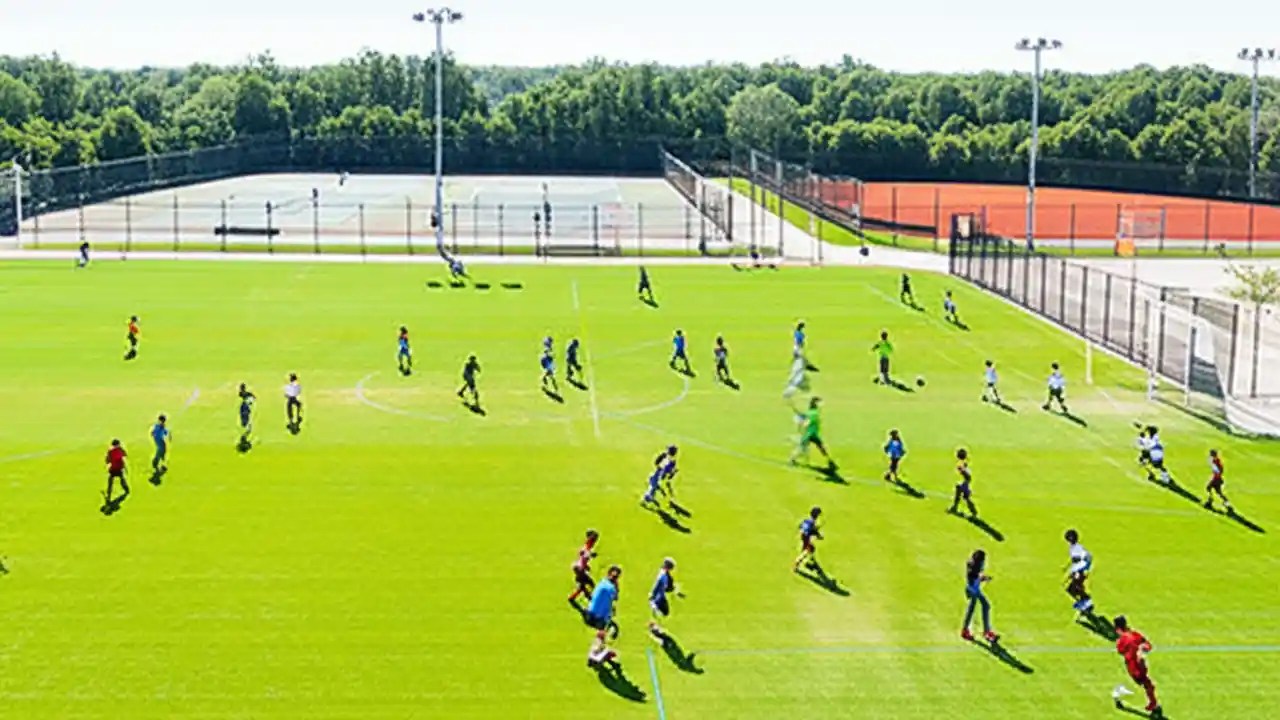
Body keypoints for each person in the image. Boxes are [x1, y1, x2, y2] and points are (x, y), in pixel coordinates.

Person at [1113, 615, 1161, 714]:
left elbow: (1120, 651)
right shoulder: (1134, 634)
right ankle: (1153, 705)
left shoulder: (1122, 639)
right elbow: (1148, 645)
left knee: (1147, 685)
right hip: (1136, 667)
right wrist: (1142, 649)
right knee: (1147, 685)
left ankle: (1153, 704)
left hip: (1134, 666)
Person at [960, 549, 1000, 643]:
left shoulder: (973, 567)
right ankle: (986, 632)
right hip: (974, 591)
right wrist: (982, 579)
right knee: (984, 606)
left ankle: (967, 630)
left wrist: (984, 578)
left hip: (973, 590)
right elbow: (974, 581)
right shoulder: (974, 570)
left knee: (975, 608)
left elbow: (976, 578)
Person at [790, 397, 835, 470]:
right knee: (802, 447)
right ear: (816, 403)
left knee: (821, 447)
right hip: (809, 433)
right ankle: (792, 459)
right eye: (820, 402)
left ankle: (830, 461)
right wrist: (805, 424)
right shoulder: (814, 413)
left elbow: (806, 419)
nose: (822, 404)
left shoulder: (813, 411)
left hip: (814, 433)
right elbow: (808, 421)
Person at [585, 565, 621, 640]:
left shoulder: (601, 583)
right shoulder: (611, 589)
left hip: (588, 614)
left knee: (609, 608)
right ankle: (601, 640)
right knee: (610, 613)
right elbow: (616, 598)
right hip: (598, 619)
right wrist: (616, 586)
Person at [648, 557, 680, 640]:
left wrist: (675, 590)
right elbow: (658, 586)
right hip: (657, 597)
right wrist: (652, 596)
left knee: (664, 612)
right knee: (658, 612)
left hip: (660, 596)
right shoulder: (663, 575)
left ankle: (654, 626)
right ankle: (655, 628)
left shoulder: (665, 574)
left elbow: (667, 586)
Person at [1064, 529, 1095, 614]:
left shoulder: (1077, 548)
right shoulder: (1075, 547)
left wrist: (1077, 572)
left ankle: (1086, 603)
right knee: (1073, 588)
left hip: (1081, 569)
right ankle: (1085, 603)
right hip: (1081, 568)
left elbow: (1083, 560)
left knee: (1073, 588)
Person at [568, 529, 600, 606]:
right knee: (590, 584)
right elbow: (584, 555)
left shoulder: (587, 546)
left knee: (583, 586)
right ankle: (591, 599)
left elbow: (583, 556)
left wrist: (587, 565)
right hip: (579, 569)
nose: (595, 542)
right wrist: (591, 556)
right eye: (594, 540)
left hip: (578, 568)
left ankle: (572, 598)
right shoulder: (586, 548)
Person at [949, 448, 979, 517]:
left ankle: (974, 512)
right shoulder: (963, 462)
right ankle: (954, 508)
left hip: (965, 482)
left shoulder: (961, 464)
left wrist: (965, 482)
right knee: (958, 490)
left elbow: (967, 475)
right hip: (965, 482)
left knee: (966, 497)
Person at [794, 506, 823, 571]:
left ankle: (810, 561)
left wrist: (815, 529)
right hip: (806, 538)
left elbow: (801, 526)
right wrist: (819, 535)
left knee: (809, 549)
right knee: (808, 550)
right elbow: (814, 532)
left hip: (803, 537)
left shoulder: (806, 520)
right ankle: (798, 564)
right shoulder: (812, 523)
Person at [104, 439, 129, 506]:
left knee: (111, 482)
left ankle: (108, 494)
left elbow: (107, 461)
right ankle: (126, 489)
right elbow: (125, 454)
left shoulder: (110, 451)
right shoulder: (119, 450)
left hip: (113, 468)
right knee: (122, 479)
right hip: (119, 467)